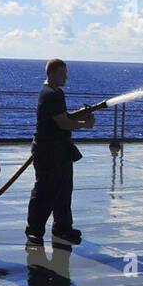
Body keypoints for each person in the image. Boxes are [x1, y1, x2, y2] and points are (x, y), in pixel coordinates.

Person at [25, 58, 94, 246]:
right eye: (64, 73)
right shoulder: (50, 94)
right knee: (45, 191)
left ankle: (62, 227)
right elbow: (62, 123)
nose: (66, 77)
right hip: (49, 151)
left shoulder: (56, 93)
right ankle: (35, 230)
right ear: (53, 73)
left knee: (64, 190)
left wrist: (79, 116)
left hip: (59, 149)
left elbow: (62, 117)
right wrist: (85, 124)